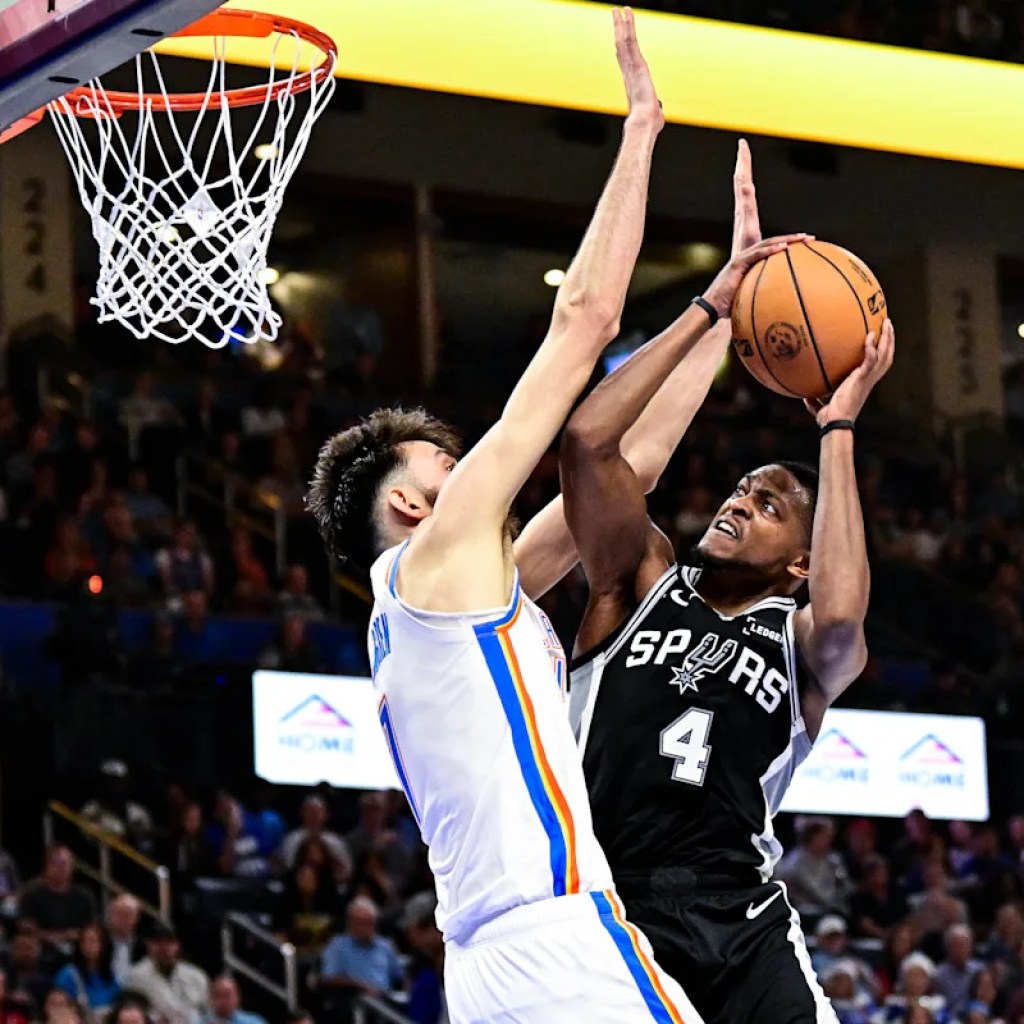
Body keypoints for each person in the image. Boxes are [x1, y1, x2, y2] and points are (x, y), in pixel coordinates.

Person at [307, 11, 786, 1021]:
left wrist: (727, 308)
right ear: (408, 499)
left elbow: (626, 462)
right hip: (554, 936)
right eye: (447, 457)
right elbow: (583, 329)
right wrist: (641, 132)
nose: (473, 462)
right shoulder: (438, 557)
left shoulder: (452, 603)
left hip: (489, 968)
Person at [561, 133, 894, 1023]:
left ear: (799, 561)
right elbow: (589, 443)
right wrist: (712, 308)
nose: (742, 499)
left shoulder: (798, 640)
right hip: (611, 905)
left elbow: (843, 621)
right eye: (745, 488)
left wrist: (838, 428)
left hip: (741, 915)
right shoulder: (637, 580)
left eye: (773, 504)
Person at [53, 924, 122, 1017]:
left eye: (93, 941)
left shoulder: (111, 977)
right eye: (84, 941)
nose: (88, 946)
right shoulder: (68, 975)